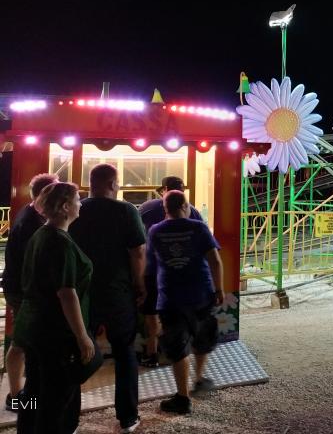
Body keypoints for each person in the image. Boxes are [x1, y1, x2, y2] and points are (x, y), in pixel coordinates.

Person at [69, 164, 146, 433]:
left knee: (77, 352)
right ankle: (127, 417)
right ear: (113, 184)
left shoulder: (77, 209)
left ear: (91, 183)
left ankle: (70, 419)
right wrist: (139, 284)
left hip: (82, 294)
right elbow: (137, 253)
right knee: (125, 352)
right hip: (117, 292)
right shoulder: (126, 211)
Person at [14, 182, 94, 434]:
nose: (81, 204)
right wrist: (82, 338)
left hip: (33, 327)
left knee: (32, 389)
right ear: (65, 206)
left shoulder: (40, 234)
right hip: (55, 332)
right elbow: (66, 293)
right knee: (56, 398)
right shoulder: (61, 242)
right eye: (77, 200)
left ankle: (24, 428)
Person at [146, 190, 224, 415]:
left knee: (178, 346)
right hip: (201, 292)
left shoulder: (155, 230)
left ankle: (183, 397)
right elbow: (214, 260)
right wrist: (218, 289)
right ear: (184, 205)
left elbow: (150, 266)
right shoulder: (198, 228)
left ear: (166, 209)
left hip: (170, 297)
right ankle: (199, 379)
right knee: (202, 337)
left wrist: (144, 291)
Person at [1, 173, 58, 411]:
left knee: (22, 342)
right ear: (46, 195)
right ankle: (18, 398)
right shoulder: (32, 224)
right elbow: (33, 267)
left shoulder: (28, 213)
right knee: (23, 342)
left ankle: (18, 394)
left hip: (18, 289)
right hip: (24, 292)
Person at [138, 176, 203, 367]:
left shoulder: (148, 207)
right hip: (182, 272)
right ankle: (177, 352)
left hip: (153, 270)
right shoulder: (193, 212)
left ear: (164, 189)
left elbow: (137, 239)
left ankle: (152, 352)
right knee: (176, 313)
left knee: (151, 313)